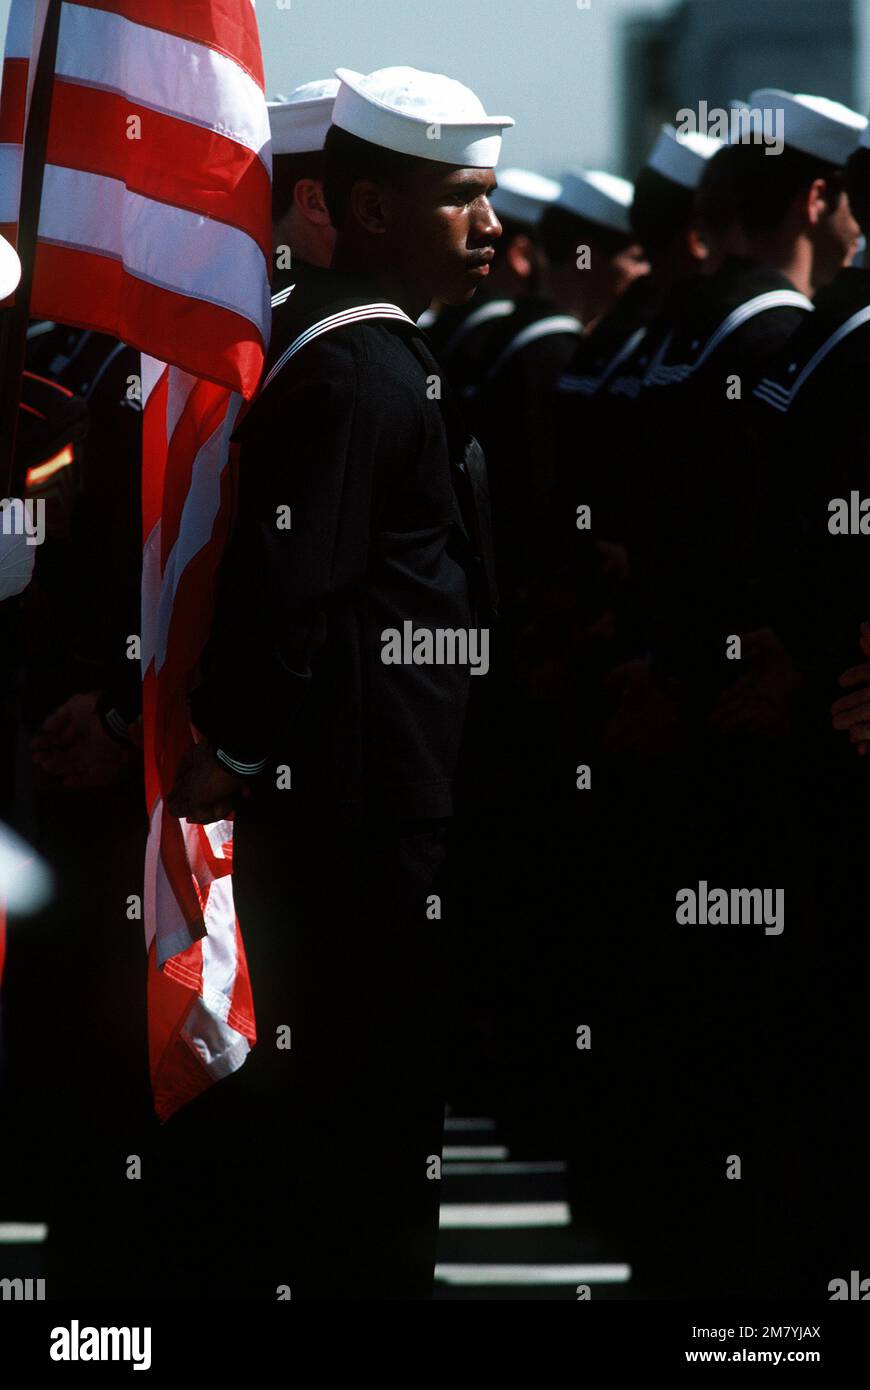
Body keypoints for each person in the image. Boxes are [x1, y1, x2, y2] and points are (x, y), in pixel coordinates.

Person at [167, 64, 513, 1300]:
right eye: (460, 197)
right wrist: (243, 748)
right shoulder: (357, 372)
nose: (492, 224)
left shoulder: (364, 359)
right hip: (361, 814)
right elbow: (289, 596)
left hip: (382, 800)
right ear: (363, 211)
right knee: (363, 1121)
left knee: (358, 1115)